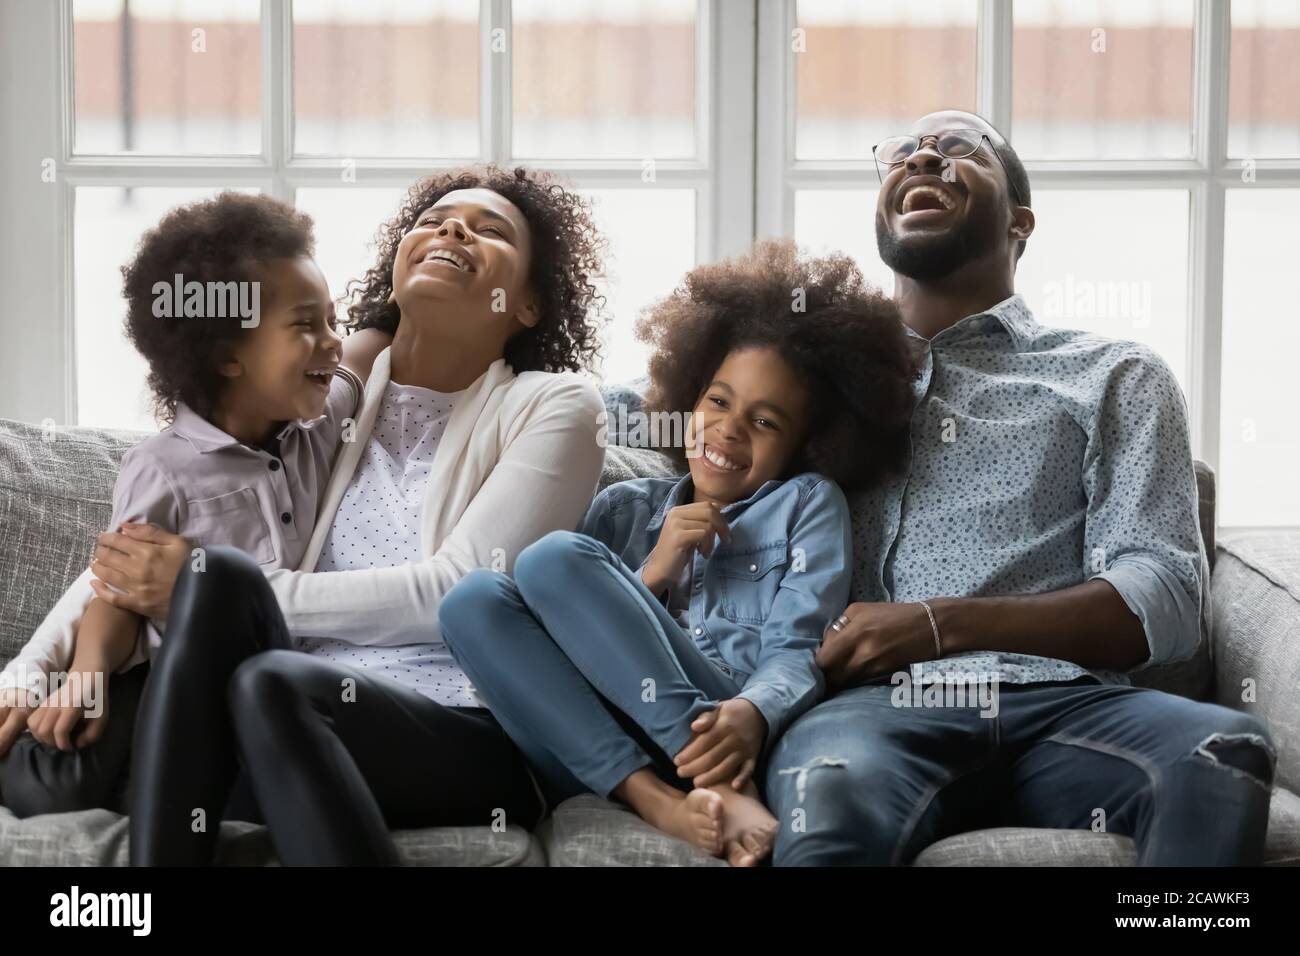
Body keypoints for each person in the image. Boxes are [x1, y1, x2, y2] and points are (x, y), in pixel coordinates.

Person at [765, 110, 1277, 866]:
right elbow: (668, 418)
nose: (924, 156)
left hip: (1068, 709)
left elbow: (1166, 598)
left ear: (1020, 220)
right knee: (831, 789)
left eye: (959, 147)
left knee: (1223, 743)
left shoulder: (1115, 376)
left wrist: (939, 625)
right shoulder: (814, 383)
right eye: (902, 153)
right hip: (872, 716)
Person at [89, 167, 609, 865]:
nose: (452, 228)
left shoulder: (557, 408)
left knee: (258, 660)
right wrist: (44, 667)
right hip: (273, 721)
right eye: (434, 220)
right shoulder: (319, 401)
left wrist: (195, 583)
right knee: (227, 607)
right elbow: (143, 541)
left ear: (528, 306)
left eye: (491, 231)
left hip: (462, 736)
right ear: (394, 274)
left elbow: (453, 592)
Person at [440, 240, 917, 865]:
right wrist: (655, 572)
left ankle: (712, 773)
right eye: (717, 401)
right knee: (471, 598)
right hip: (598, 742)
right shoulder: (625, 507)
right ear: (690, 395)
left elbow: (799, 650)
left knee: (553, 556)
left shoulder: (806, 502)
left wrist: (752, 712)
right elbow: (566, 632)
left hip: (725, 723)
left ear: (810, 445)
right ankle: (671, 802)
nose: (728, 429)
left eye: (766, 422)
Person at [0, 193, 366, 817]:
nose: (332, 343)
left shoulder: (324, 419)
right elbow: (112, 594)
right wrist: (87, 675)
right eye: (307, 325)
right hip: (164, 676)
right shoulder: (161, 468)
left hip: (261, 689)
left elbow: (368, 353)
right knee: (64, 781)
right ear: (228, 356)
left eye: (334, 321)